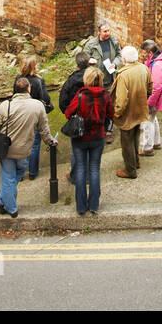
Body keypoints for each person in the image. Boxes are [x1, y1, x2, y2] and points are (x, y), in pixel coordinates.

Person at [0, 76, 58, 217]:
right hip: (25, 149)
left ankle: (7, 204)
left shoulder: (5, 106)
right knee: (16, 174)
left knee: (9, 177)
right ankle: (7, 204)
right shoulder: (38, 106)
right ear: (28, 89)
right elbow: (44, 130)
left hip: (6, 149)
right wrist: (51, 141)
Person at [63, 66, 111, 215]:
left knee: (81, 169)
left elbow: (67, 113)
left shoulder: (80, 95)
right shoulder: (105, 95)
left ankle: (81, 206)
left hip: (81, 137)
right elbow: (111, 113)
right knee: (95, 169)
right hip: (98, 136)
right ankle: (94, 205)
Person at [112, 46, 151, 179]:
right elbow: (150, 87)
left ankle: (130, 170)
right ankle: (136, 161)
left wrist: (116, 113)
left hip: (128, 113)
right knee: (135, 136)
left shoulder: (123, 75)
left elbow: (121, 100)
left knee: (126, 141)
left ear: (123, 59)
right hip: (140, 109)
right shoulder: (143, 68)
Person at [16, 54, 52, 181]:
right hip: (34, 115)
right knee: (35, 143)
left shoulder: (18, 79)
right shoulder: (38, 81)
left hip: (20, 115)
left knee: (21, 142)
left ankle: (19, 173)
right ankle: (32, 172)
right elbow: (45, 98)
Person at [59, 52, 92, 183]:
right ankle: (89, 177)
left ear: (77, 64)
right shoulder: (94, 77)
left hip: (76, 116)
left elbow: (63, 100)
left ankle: (75, 176)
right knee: (90, 146)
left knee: (76, 148)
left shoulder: (71, 80)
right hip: (91, 115)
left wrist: (69, 114)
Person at [142, 39, 162, 155]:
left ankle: (148, 147)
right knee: (153, 119)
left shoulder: (158, 64)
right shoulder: (155, 60)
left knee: (148, 120)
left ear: (149, 53)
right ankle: (156, 142)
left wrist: (150, 102)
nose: (142, 54)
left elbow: (157, 87)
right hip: (156, 97)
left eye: (144, 52)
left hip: (154, 98)